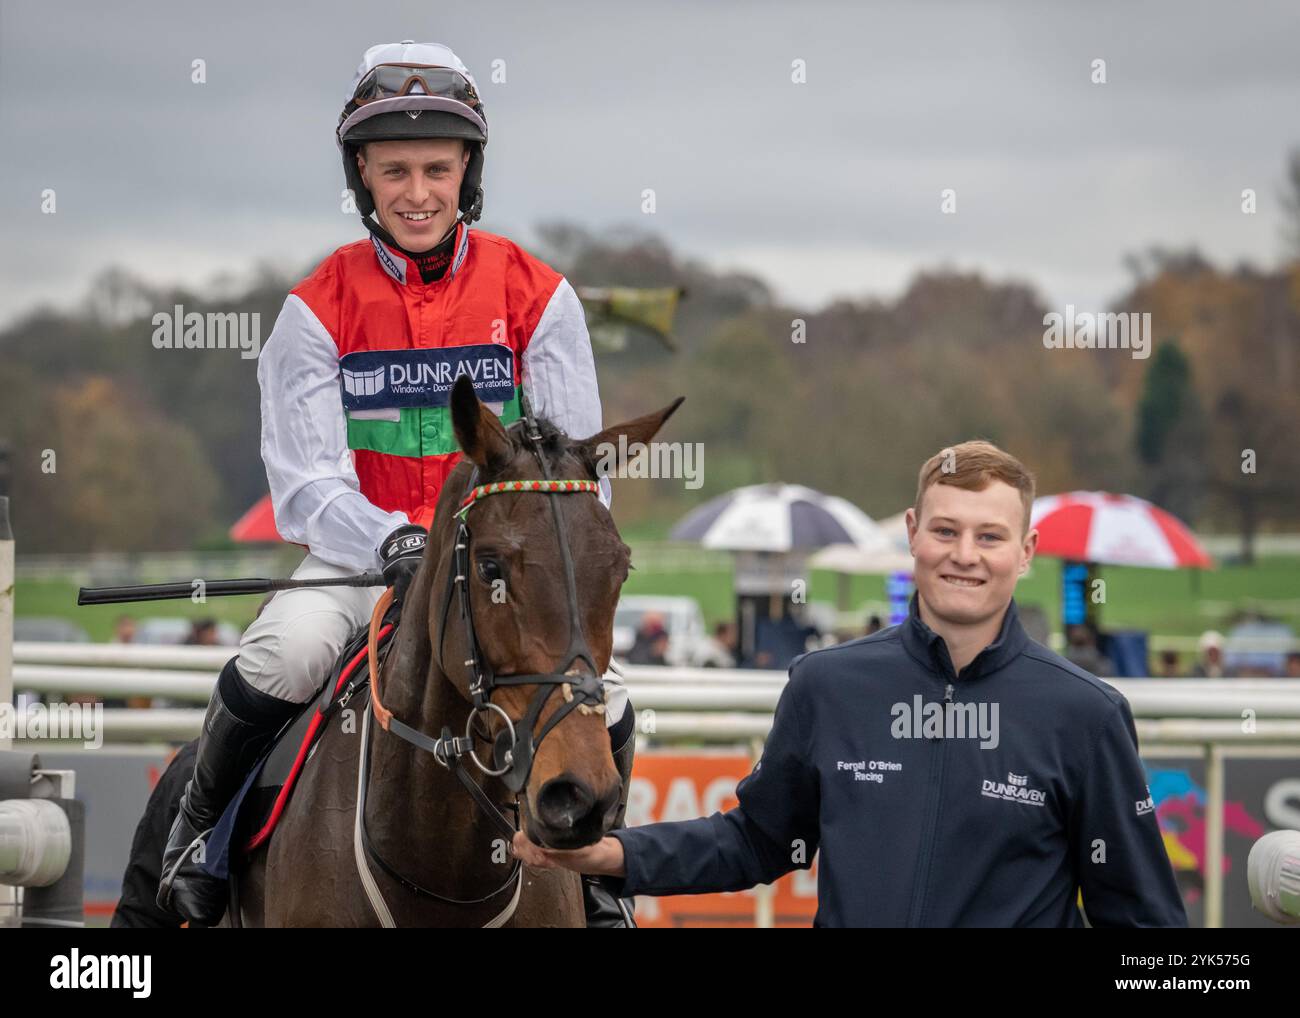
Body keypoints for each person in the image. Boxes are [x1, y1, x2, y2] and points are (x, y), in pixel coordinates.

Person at [156, 41, 634, 928]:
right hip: (363, 562)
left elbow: (574, 475)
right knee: (283, 656)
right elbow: (304, 484)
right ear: (364, 178)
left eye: (438, 170)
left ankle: (600, 880)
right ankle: (201, 839)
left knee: (614, 695)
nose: (419, 193)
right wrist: (394, 541)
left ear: (468, 174)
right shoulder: (313, 310)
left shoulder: (541, 296)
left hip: (502, 572)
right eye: (396, 171)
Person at [513, 440, 1188, 927]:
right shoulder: (829, 685)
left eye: (990, 537)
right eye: (947, 531)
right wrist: (612, 854)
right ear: (913, 534)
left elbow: (1144, 921)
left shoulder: (1085, 715)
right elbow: (755, 839)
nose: (964, 555)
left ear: (1026, 552)